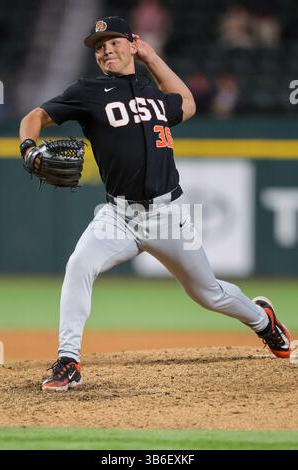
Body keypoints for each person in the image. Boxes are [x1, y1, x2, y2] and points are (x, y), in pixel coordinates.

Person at [19, 16, 291, 392]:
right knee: (79, 265)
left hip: (168, 215)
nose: (105, 49)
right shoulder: (87, 92)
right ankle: (68, 361)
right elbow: (35, 116)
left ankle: (264, 322)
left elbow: (189, 104)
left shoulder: (153, 94)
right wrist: (28, 146)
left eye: (113, 41)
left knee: (207, 292)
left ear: (132, 45)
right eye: (99, 46)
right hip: (117, 215)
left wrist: (153, 58)